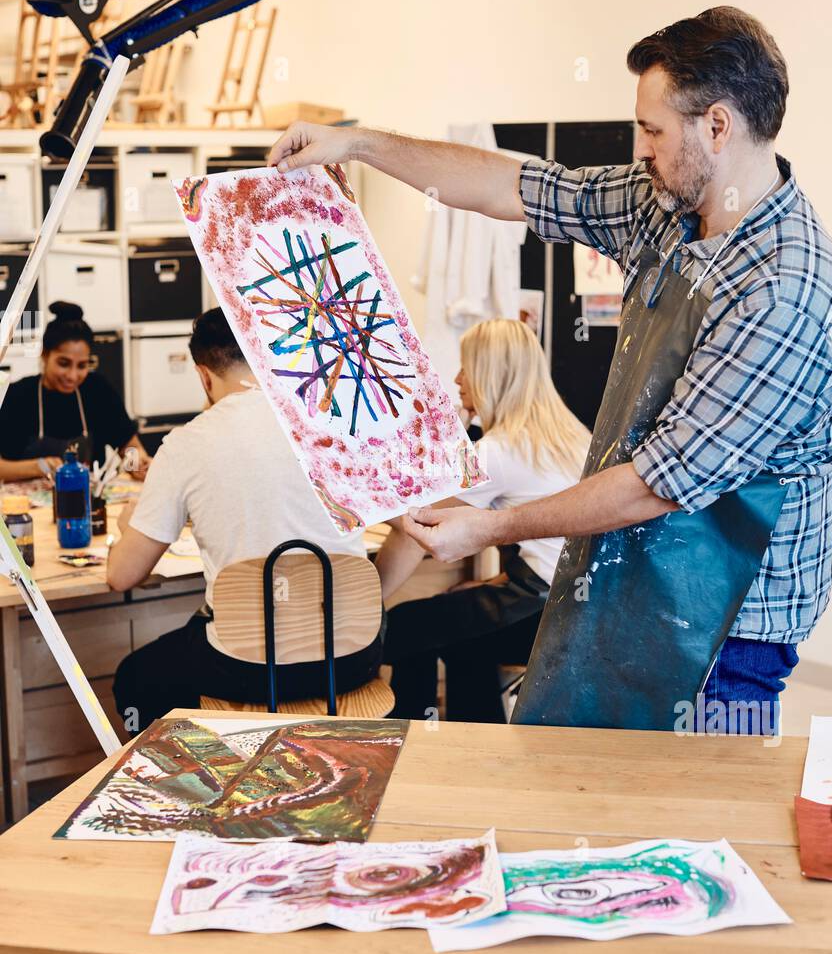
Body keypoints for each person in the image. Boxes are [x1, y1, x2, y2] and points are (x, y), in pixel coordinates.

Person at [268, 6, 832, 954]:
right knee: (632, 803)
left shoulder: (784, 285)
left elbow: (658, 480)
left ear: (716, 125)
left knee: (714, 818)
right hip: (642, 565)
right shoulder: (673, 207)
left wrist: (486, 528)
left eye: (647, 130)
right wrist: (356, 145)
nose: (633, 152)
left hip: (735, 602)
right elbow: (515, 187)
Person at [108, 308, 381, 733]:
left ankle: (200, 783)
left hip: (249, 669)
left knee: (136, 677)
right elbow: (415, 529)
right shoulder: (335, 421)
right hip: (352, 658)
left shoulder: (186, 444)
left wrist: (129, 525)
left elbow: (122, 576)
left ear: (203, 376)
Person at [377, 318, 590, 722]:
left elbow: (421, 523)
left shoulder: (500, 450)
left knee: (406, 627)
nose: (456, 379)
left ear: (491, 375)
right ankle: (476, 742)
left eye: (465, 367)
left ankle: (413, 742)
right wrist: (495, 583)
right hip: (577, 605)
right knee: (461, 632)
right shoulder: (570, 435)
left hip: (543, 611)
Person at [0, 301, 149, 481]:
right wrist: (38, 466)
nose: (72, 376)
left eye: (82, 366)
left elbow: (130, 446)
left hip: (88, 500)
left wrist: (135, 464)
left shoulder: (98, 390)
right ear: (44, 355)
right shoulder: (20, 396)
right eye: (64, 363)